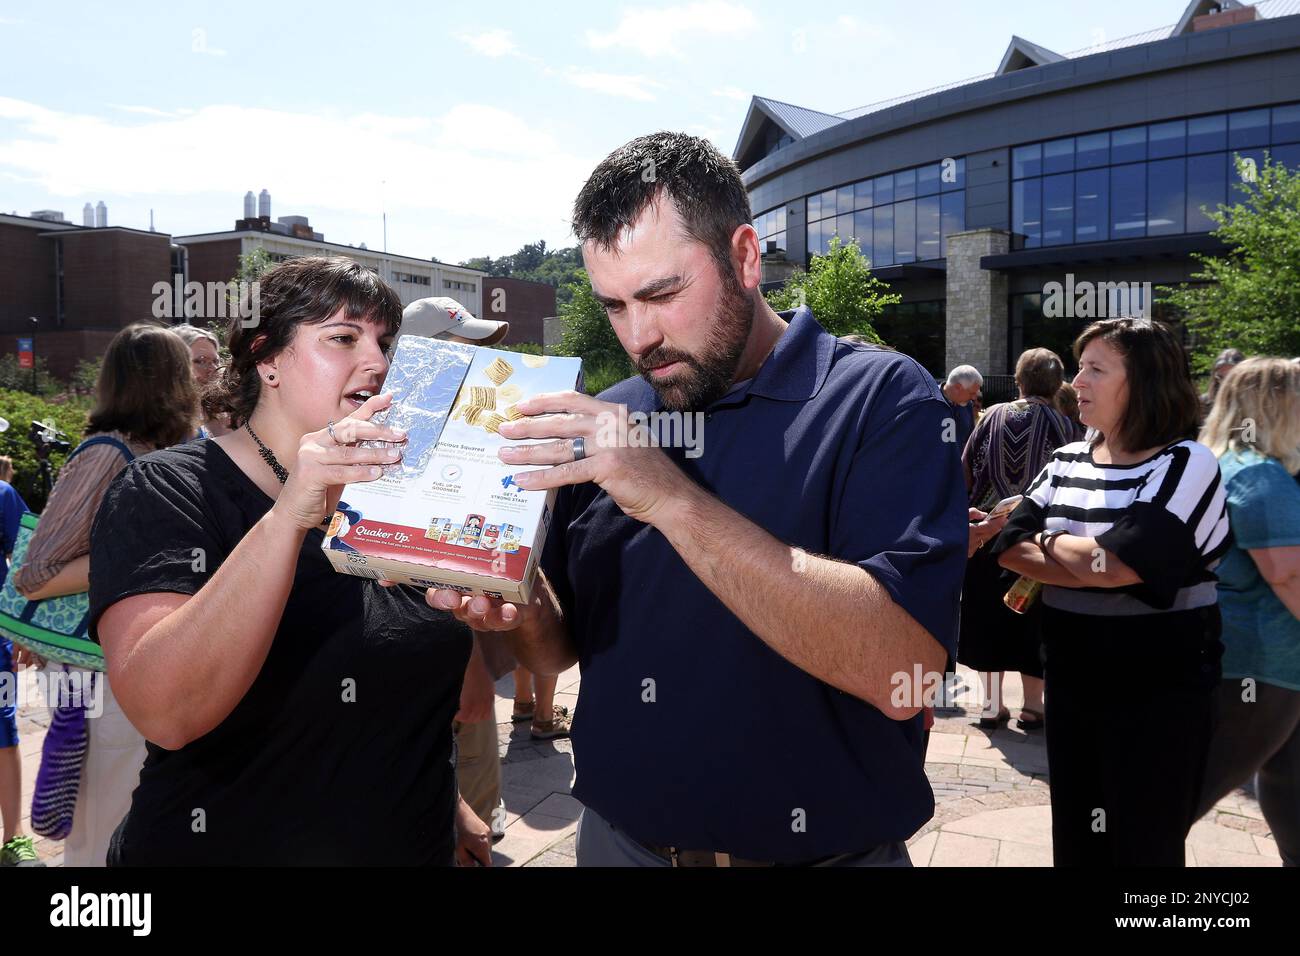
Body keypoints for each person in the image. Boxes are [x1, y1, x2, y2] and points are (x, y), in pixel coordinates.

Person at [428, 132, 968, 867]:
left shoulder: (884, 400)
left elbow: (903, 673)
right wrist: (517, 605)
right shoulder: (609, 418)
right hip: (619, 844)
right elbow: (560, 646)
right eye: (614, 304)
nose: (639, 336)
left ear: (745, 257)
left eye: (662, 293)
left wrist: (668, 497)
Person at [88, 257, 487, 865]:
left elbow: (455, 703)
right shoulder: (167, 489)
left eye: (385, 342)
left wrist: (444, 802)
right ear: (267, 358)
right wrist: (286, 518)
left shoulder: (403, 493)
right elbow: (166, 712)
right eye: (343, 338)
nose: (378, 362)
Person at [992, 317, 1230, 866]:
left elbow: (1119, 565)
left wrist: (1050, 537)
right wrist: (1086, 551)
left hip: (1161, 691)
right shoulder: (1066, 458)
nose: (1078, 381)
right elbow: (1007, 546)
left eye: (1096, 369)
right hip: (1072, 683)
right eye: (1079, 368)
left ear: (1144, 381)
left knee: (1144, 845)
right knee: (1077, 838)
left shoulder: (1186, 462)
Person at [13, 323, 199, 867]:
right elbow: (36, 573)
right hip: (97, 671)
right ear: (165, 380)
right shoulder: (107, 454)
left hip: (140, 660)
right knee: (103, 828)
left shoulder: (162, 450)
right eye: (186, 368)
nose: (196, 378)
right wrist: (145, 557)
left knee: (136, 818)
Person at [400, 295, 515, 836]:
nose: (473, 361)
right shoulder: (395, 428)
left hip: (463, 639)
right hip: (426, 653)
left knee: (477, 802)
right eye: (460, 347)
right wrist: (469, 667)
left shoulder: (474, 424)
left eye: (476, 347)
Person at [1195, 357, 1300, 866]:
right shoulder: (1261, 475)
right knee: (1173, 802)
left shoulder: (1217, 461)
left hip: (1245, 660)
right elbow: (1289, 575)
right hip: (1260, 665)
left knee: (1289, 781)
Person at [959, 348, 1073, 732]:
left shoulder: (990, 417)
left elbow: (965, 472)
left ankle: (992, 707)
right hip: (1037, 540)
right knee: (1033, 619)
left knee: (986, 615)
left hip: (986, 533)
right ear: (1057, 384)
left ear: (1018, 380)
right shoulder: (1064, 424)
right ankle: (1032, 707)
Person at [0, 456, 38, 866]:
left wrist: (27, 628)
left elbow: (30, 559)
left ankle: (13, 837)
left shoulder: (3, 495)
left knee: (3, 734)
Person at [172, 324, 231, 437]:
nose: (213, 369)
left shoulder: (222, 418)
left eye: (216, 361)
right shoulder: (157, 424)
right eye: (201, 361)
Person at [943, 365, 982, 453]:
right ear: (957, 387)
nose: (974, 398)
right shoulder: (930, 403)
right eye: (972, 393)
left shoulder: (968, 406)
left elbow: (970, 441)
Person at [1200, 347, 1245, 419]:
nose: (1225, 383)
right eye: (1221, 377)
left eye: (1231, 377)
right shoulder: (1204, 402)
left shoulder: (1253, 402)